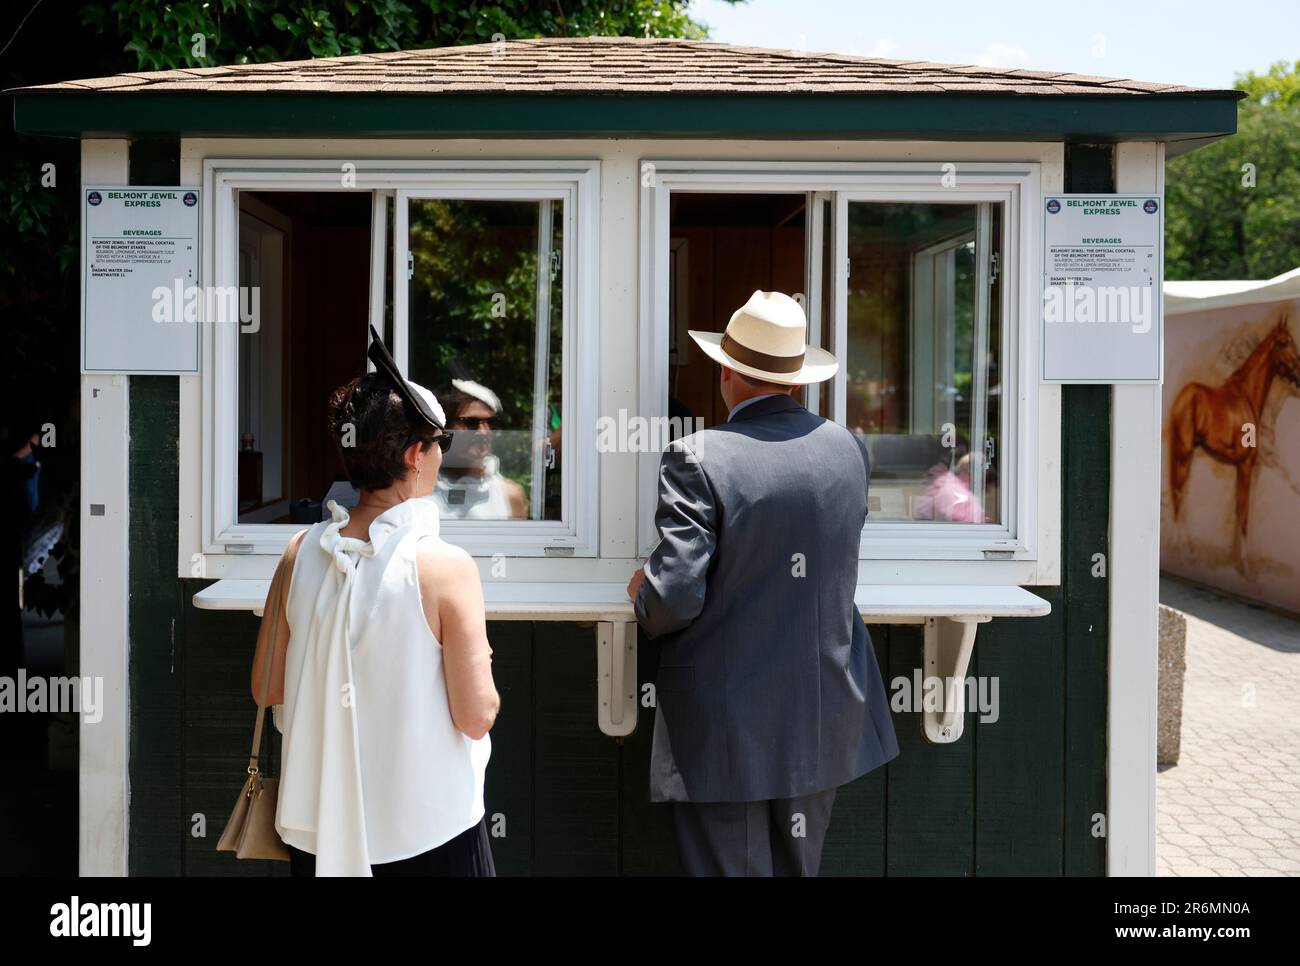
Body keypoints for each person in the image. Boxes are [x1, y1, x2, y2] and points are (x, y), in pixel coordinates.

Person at [628, 290, 899, 877]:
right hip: (822, 718)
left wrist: (642, 588)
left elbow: (672, 596)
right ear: (796, 380)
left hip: (727, 731)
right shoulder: (848, 449)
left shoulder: (696, 457)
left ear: (727, 372)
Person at [249, 328, 500, 876]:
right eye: (439, 444)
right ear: (416, 454)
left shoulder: (299, 551)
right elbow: (477, 715)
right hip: (430, 832)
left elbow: (267, 687)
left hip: (317, 831)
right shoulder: (445, 567)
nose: (440, 455)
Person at [433, 378, 527, 520]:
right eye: (471, 423)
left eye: (491, 423)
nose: (484, 432)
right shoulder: (418, 490)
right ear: (445, 427)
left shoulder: (509, 495)